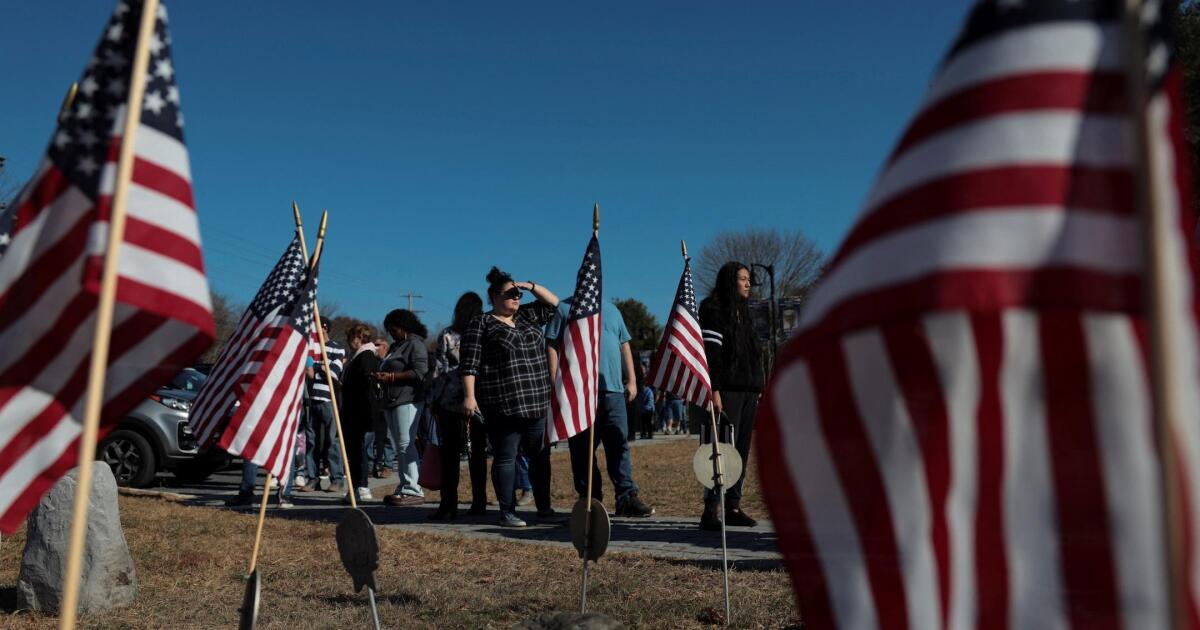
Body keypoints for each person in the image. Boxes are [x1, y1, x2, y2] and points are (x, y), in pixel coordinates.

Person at [460, 267, 559, 527]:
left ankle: (544, 507)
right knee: (506, 457)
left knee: (540, 456)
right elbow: (469, 363)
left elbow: (555, 303)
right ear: (494, 297)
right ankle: (507, 511)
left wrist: (529, 285)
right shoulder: (481, 323)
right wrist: (470, 397)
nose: (516, 298)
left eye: (518, 294)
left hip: (537, 400)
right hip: (503, 403)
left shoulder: (527, 316)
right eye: (510, 294)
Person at [546, 299, 655, 517]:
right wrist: (555, 382)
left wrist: (632, 380)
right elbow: (551, 344)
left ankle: (626, 498)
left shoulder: (613, 310)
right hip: (579, 392)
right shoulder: (566, 308)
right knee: (582, 451)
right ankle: (590, 502)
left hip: (613, 391)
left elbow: (624, 345)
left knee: (619, 445)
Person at [698, 261, 764, 530]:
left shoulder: (745, 313)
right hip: (724, 390)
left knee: (742, 450)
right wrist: (713, 389)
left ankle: (733, 506)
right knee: (719, 449)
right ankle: (710, 509)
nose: (748, 283)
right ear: (729, 281)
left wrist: (757, 388)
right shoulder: (713, 309)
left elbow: (751, 354)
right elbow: (710, 354)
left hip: (748, 391)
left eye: (749, 279)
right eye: (743, 279)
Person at [429, 292, 488, 520]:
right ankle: (479, 502)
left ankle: (449, 504)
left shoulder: (447, 335)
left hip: (449, 402)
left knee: (450, 455)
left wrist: (433, 400)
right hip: (479, 401)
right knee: (477, 454)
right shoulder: (484, 333)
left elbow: (439, 371)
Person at [377, 309, 429, 507]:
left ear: (405, 327)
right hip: (391, 400)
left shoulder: (415, 345)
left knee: (406, 443)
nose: (391, 333)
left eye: (394, 329)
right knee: (400, 445)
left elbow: (420, 372)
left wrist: (392, 377)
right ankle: (405, 486)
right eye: (389, 330)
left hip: (409, 399)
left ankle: (413, 488)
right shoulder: (395, 346)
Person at [298, 317, 345, 493]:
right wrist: (320, 366)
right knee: (311, 441)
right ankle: (312, 479)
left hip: (328, 399)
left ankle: (337, 479)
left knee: (332, 441)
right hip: (311, 399)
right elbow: (308, 373)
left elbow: (333, 372)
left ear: (325, 328)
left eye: (318, 328)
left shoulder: (336, 348)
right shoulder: (310, 348)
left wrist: (317, 367)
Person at [339, 323, 382, 503]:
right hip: (353, 408)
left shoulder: (365, 355)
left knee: (358, 450)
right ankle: (355, 487)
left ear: (359, 338)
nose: (350, 343)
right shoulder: (358, 356)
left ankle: (362, 486)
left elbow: (366, 385)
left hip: (359, 409)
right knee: (354, 450)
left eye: (351, 339)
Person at [364, 337, 395, 478]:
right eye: (374, 345)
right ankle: (370, 466)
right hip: (373, 404)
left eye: (378, 345)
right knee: (370, 437)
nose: (375, 347)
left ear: (385, 347)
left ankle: (387, 466)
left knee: (388, 437)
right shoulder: (372, 362)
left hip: (388, 402)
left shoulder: (391, 361)